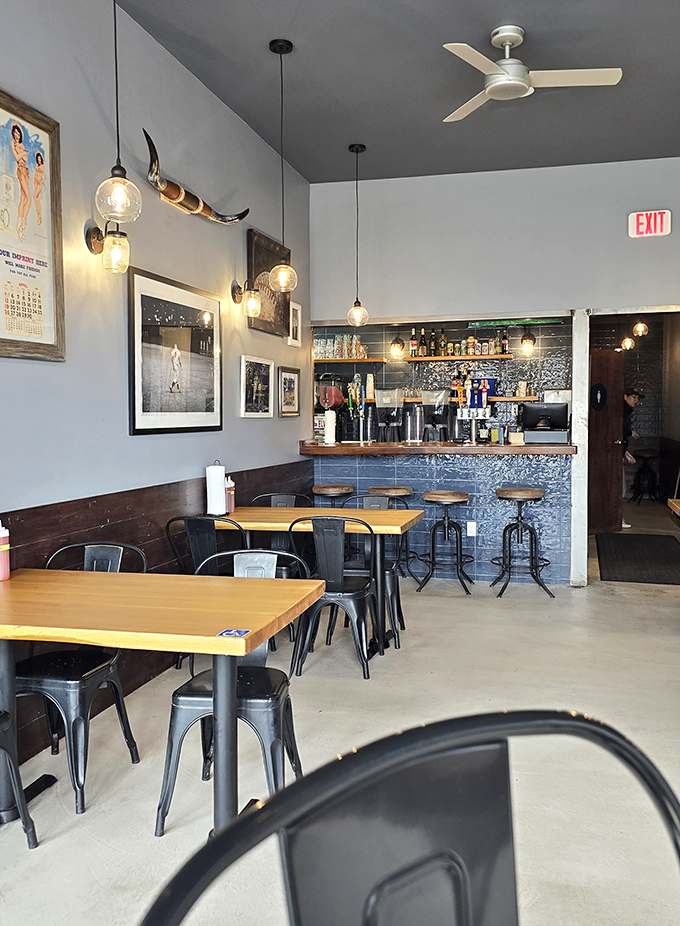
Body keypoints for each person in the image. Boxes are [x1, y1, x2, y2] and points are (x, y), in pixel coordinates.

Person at [622, 388, 644, 528]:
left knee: (620, 486)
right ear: (625, 397)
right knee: (620, 486)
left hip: (619, 450)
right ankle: (615, 518)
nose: (635, 400)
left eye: (637, 398)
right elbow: (619, 432)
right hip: (615, 452)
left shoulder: (625, 412)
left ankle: (616, 517)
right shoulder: (621, 412)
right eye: (633, 397)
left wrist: (625, 452)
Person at [10, 123, 31, 240]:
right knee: (29, 199)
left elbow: (26, 159)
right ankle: (23, 223)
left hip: (26, 171)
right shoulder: (13, 144)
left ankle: (20, 227)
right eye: (15, 133)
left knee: (23, 199)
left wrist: (22, 154)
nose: (17, 135)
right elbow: (18, 158)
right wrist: (23, 153)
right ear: (13, 133)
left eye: (18, 133)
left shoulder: (21, 145)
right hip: (21, 170)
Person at [33, 151, 45, 226]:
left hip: (38, 183)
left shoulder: (42, 167)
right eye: (38, 159)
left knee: (35, 197)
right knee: (36, 198)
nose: (39, 160)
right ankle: (38, 214)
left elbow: (45, 176)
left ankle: (39, 214)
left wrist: (41, 181)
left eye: (40, 158)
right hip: (35, 182)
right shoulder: (37, 166)